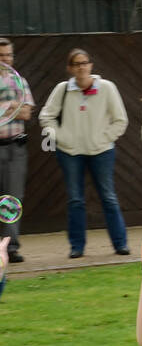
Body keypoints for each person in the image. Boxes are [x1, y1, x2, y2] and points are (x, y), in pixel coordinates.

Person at [38, 48, 129, 259]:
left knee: (108, 198)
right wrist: (59, 136)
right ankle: (77, 247)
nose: (81, 67)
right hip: (70, 152)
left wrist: (104, 138)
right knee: (75, 200)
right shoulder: (62, 89)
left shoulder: (107, 88)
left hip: (102, 151)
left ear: (91, 65)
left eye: (84, 63)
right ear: (70, 68)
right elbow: (46, 116)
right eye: (76, 64)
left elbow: (120, 120)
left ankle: (121, 244)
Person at [0, 39, 34, 263]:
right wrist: (12, 106)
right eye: (2, 56)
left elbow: (26, 114)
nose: (6, 60)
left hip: (14, 146)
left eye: (9, 55)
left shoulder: (19, 82)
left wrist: (9, 108)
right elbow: (15, 110)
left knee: (12, 198)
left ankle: (10, 248)